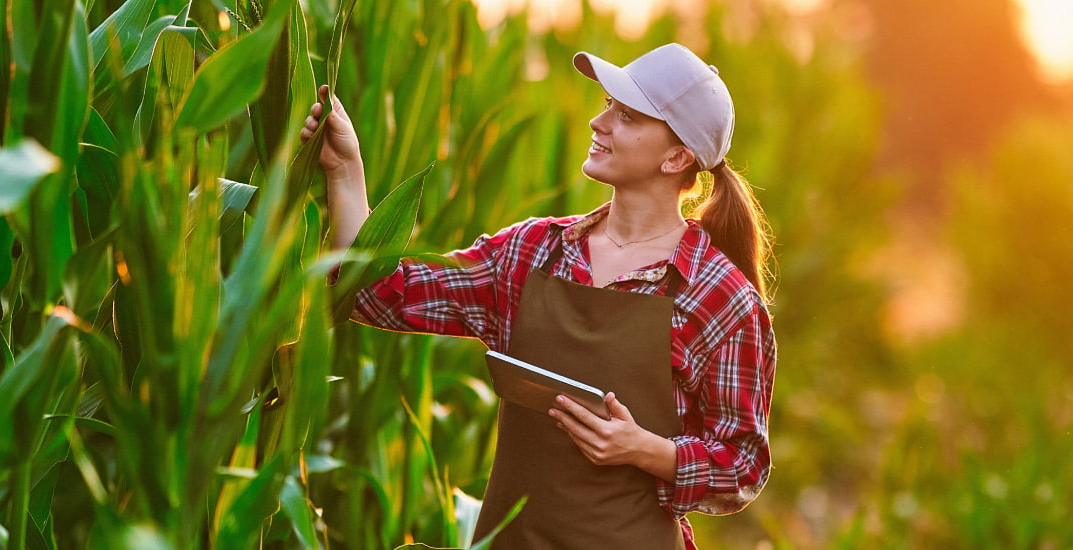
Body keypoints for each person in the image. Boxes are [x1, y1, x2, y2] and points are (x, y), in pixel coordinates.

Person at [302, 43, 776, 550]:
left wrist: (646, 450)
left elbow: (743, 466)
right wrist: (344, 171)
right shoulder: (533, 251)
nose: (600, 122)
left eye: (627, 115)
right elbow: (381, 292)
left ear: (677, 156)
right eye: (607, 106)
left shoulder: (721, 297)